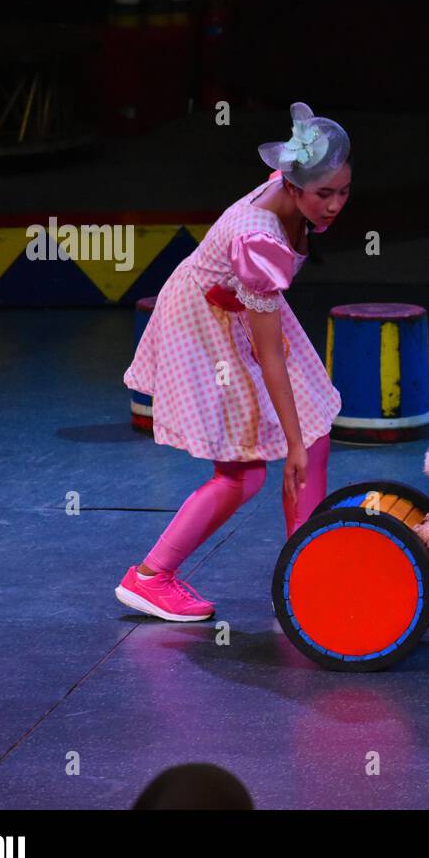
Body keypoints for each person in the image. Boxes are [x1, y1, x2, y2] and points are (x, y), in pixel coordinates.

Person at [117, 102, 351, 621]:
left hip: (238, 307)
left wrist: (300, 443)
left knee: (314, 435)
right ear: (292, 188)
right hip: (206, 327)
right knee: (246, 471)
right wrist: (290, 445)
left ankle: (303, 573)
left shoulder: (292, 184)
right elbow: (269, 353)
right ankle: (153, 576)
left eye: (343, 192)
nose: (334, 205)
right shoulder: (259, 240)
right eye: (323, 195)